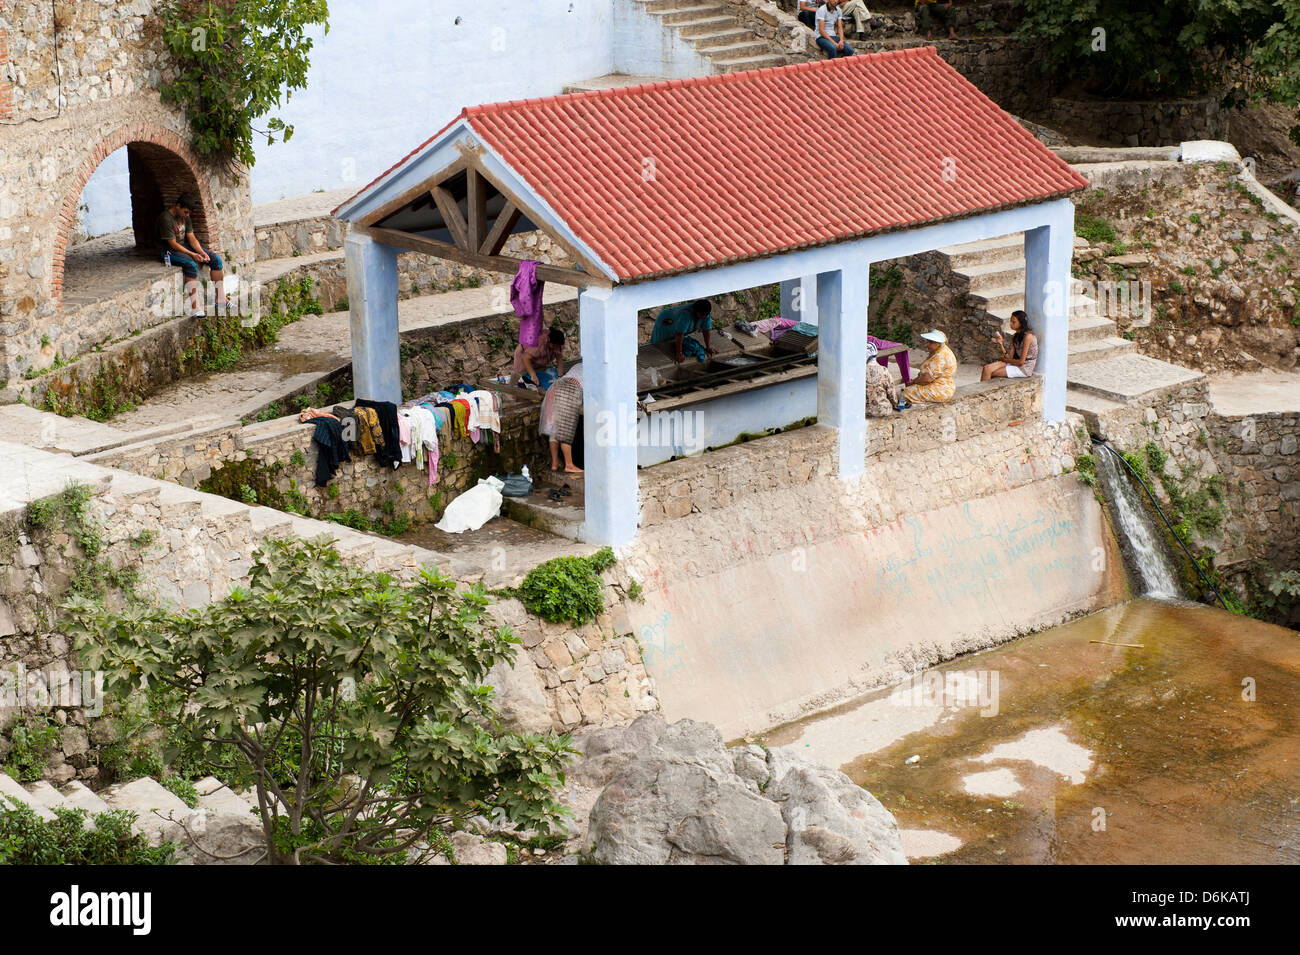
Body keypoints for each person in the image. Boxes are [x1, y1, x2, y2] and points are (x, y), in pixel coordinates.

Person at [158, 193, 226, 318]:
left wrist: (202, 252)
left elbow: (192, 238)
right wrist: (192, 255)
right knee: (191, 264)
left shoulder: (185, 217)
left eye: (188, 213)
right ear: (178, 206)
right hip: (169, 250)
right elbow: (172, 244)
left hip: (183, 246)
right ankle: (195, 308)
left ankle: (220, 299)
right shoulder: (166, 218)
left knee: (215, 260)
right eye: (186, 212)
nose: (187, 215)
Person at [540, 362, 584, 473]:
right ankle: (569, 465)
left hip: (555, 387)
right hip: (568, 389)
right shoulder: (597, 370)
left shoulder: (579, 365)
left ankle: (555, 463)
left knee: (555, 428)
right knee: (565, 429)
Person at [901, 329, 957, 407]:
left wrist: (913, 382)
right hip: (945, 387)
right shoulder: (942, 351)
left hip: (940, 390)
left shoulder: (940, 356)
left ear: (938, 344)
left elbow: (927, 379)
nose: (927, 344)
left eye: (930, 342)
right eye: (927, 342)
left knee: (903, 394)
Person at [650, 299, 716, 363]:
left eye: (704, 315)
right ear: (696, 311)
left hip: (677, 324)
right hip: (666, 321)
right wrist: (679, 353)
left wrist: (708, 347)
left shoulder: (705, 314)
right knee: (659, 347)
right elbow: (679, 334)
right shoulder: (685, 314)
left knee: (672, 344)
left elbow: (706, 330)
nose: (703, 317)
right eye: (701, 315)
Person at [981, 310, 1038, 381]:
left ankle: (984, 391)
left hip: (1024, 368)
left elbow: (1021, 362)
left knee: (991, 373)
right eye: (1010, 321)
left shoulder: (1028, 337)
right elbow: (1009, 357)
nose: (1010, 324)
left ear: (1021, 323)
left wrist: (1005, 360)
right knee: (986, 368)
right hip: (1015, 364)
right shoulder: (1016, 336)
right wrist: (1001, 344)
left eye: (1013, 322)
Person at [864, 341, 898, 417]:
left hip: (864, 411)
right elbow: (891, 393)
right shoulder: (884, 371)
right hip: (883, 410)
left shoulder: (859, 372)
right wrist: (896, 404)